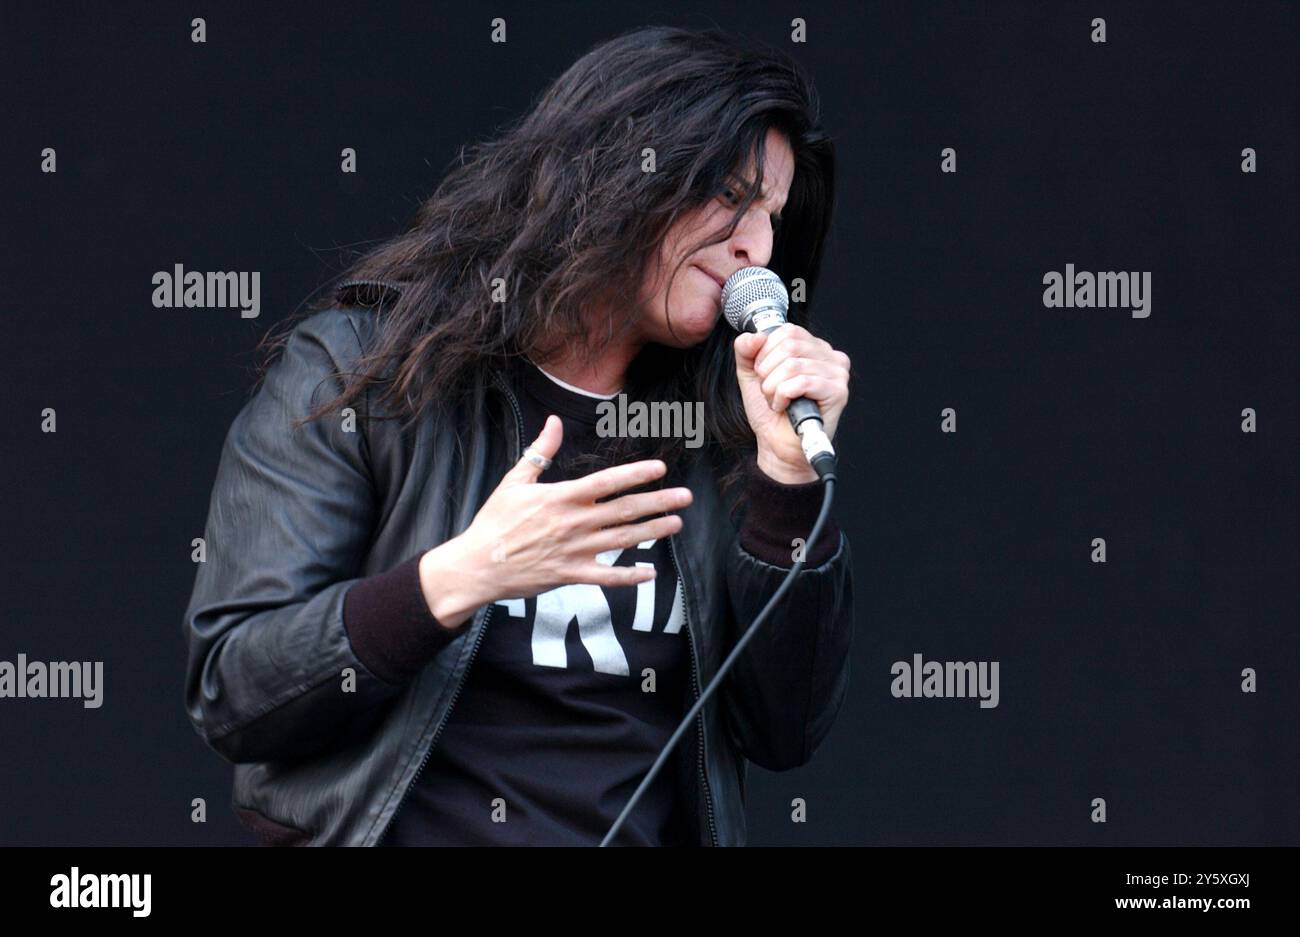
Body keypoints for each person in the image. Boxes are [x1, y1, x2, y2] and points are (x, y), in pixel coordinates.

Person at [182, 24, 855, 847]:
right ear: (615, 172)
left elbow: (782, 731)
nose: (757, 243)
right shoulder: (367, 371)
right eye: (729, 195)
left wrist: (786, 477)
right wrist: (461, 577)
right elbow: (237, 689)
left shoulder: (719, 431)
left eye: (773, 215)